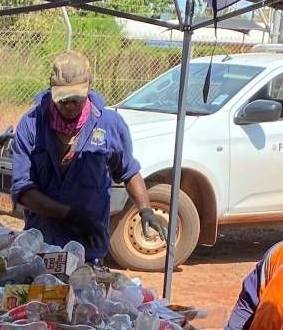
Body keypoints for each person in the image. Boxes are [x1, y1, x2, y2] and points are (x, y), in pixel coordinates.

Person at [10, 50, 166, 265]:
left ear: (89, 87)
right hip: (41, 246)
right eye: (62, 100)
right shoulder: (31, 124)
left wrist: (145, 209)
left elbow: (128, 172)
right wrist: (70, 215)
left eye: (76, 99)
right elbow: (23, 190)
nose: (69, 106)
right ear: (51, 88)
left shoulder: (110, 125)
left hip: (87, 246)